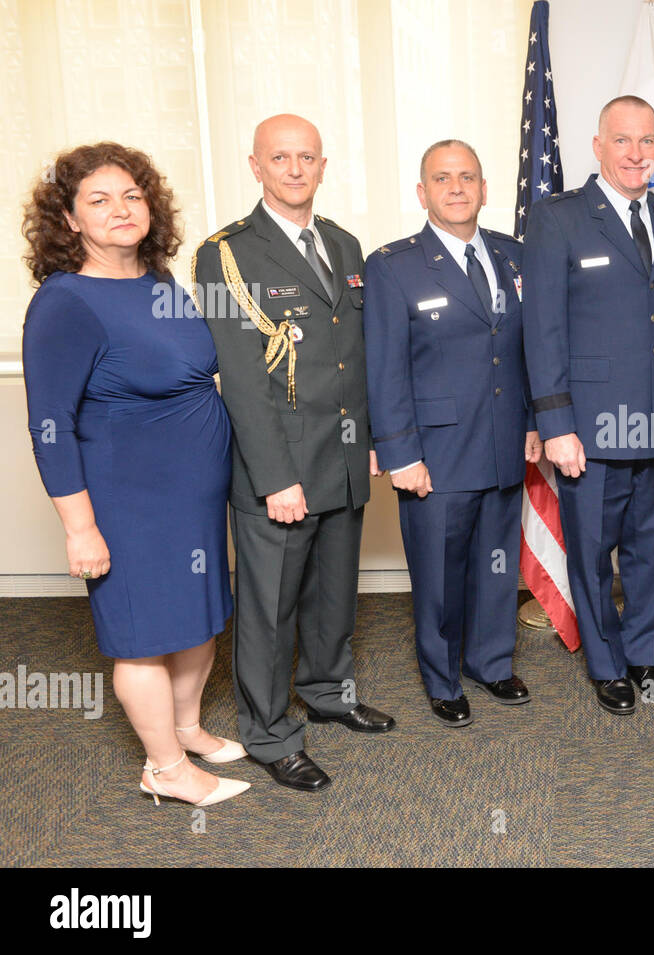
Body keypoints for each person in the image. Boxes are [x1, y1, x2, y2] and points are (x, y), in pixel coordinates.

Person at [22, 142, 248, 807]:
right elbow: (49, 427)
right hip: (127, 502)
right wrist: (81, 528)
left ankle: (185, 730)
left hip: (192, 499)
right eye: (98, 200)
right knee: (144, 636)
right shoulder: (65, 303)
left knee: (199, 621)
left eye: (132, 196)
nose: (120, 210)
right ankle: (165, 769)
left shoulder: (156, 279)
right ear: (69, 221)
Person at [193, 114, 394, 792]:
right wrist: (276, 477)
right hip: (278, 466)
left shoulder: (343, 244)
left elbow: (354, 358)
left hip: (339, 456)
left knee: (334, 596)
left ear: (322, 164)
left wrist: (365, 441)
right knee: (270, 609)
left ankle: (330, 694)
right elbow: (242, 379)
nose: (295, 169)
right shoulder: (224, 253)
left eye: (306, 157)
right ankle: (270, 734)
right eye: (280, 158)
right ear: (255, 166)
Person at [523, 95, 654, 716]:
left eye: (647, 141)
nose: (636, 153)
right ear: (597, 147)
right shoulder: (559, 218)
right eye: (622, 140)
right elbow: (541, 329)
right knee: (591, 549)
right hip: (589, 428)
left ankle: (643, 654)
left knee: (651, 549)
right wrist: (555, 422)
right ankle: (605, 661)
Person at [363, 139, 540, 728]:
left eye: (468, 177)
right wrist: (399, 453)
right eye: (443, 178)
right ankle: (441, 677)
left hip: (505, 440)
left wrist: (536, 421)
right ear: (423, 192)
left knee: (496, 562)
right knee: (439, 574)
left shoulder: (515, 254)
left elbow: (530, 349)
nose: (457, 188)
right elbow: (384, 366)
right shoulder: (393, 264)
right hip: (433, 452)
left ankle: (490, 661)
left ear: (485, 189)